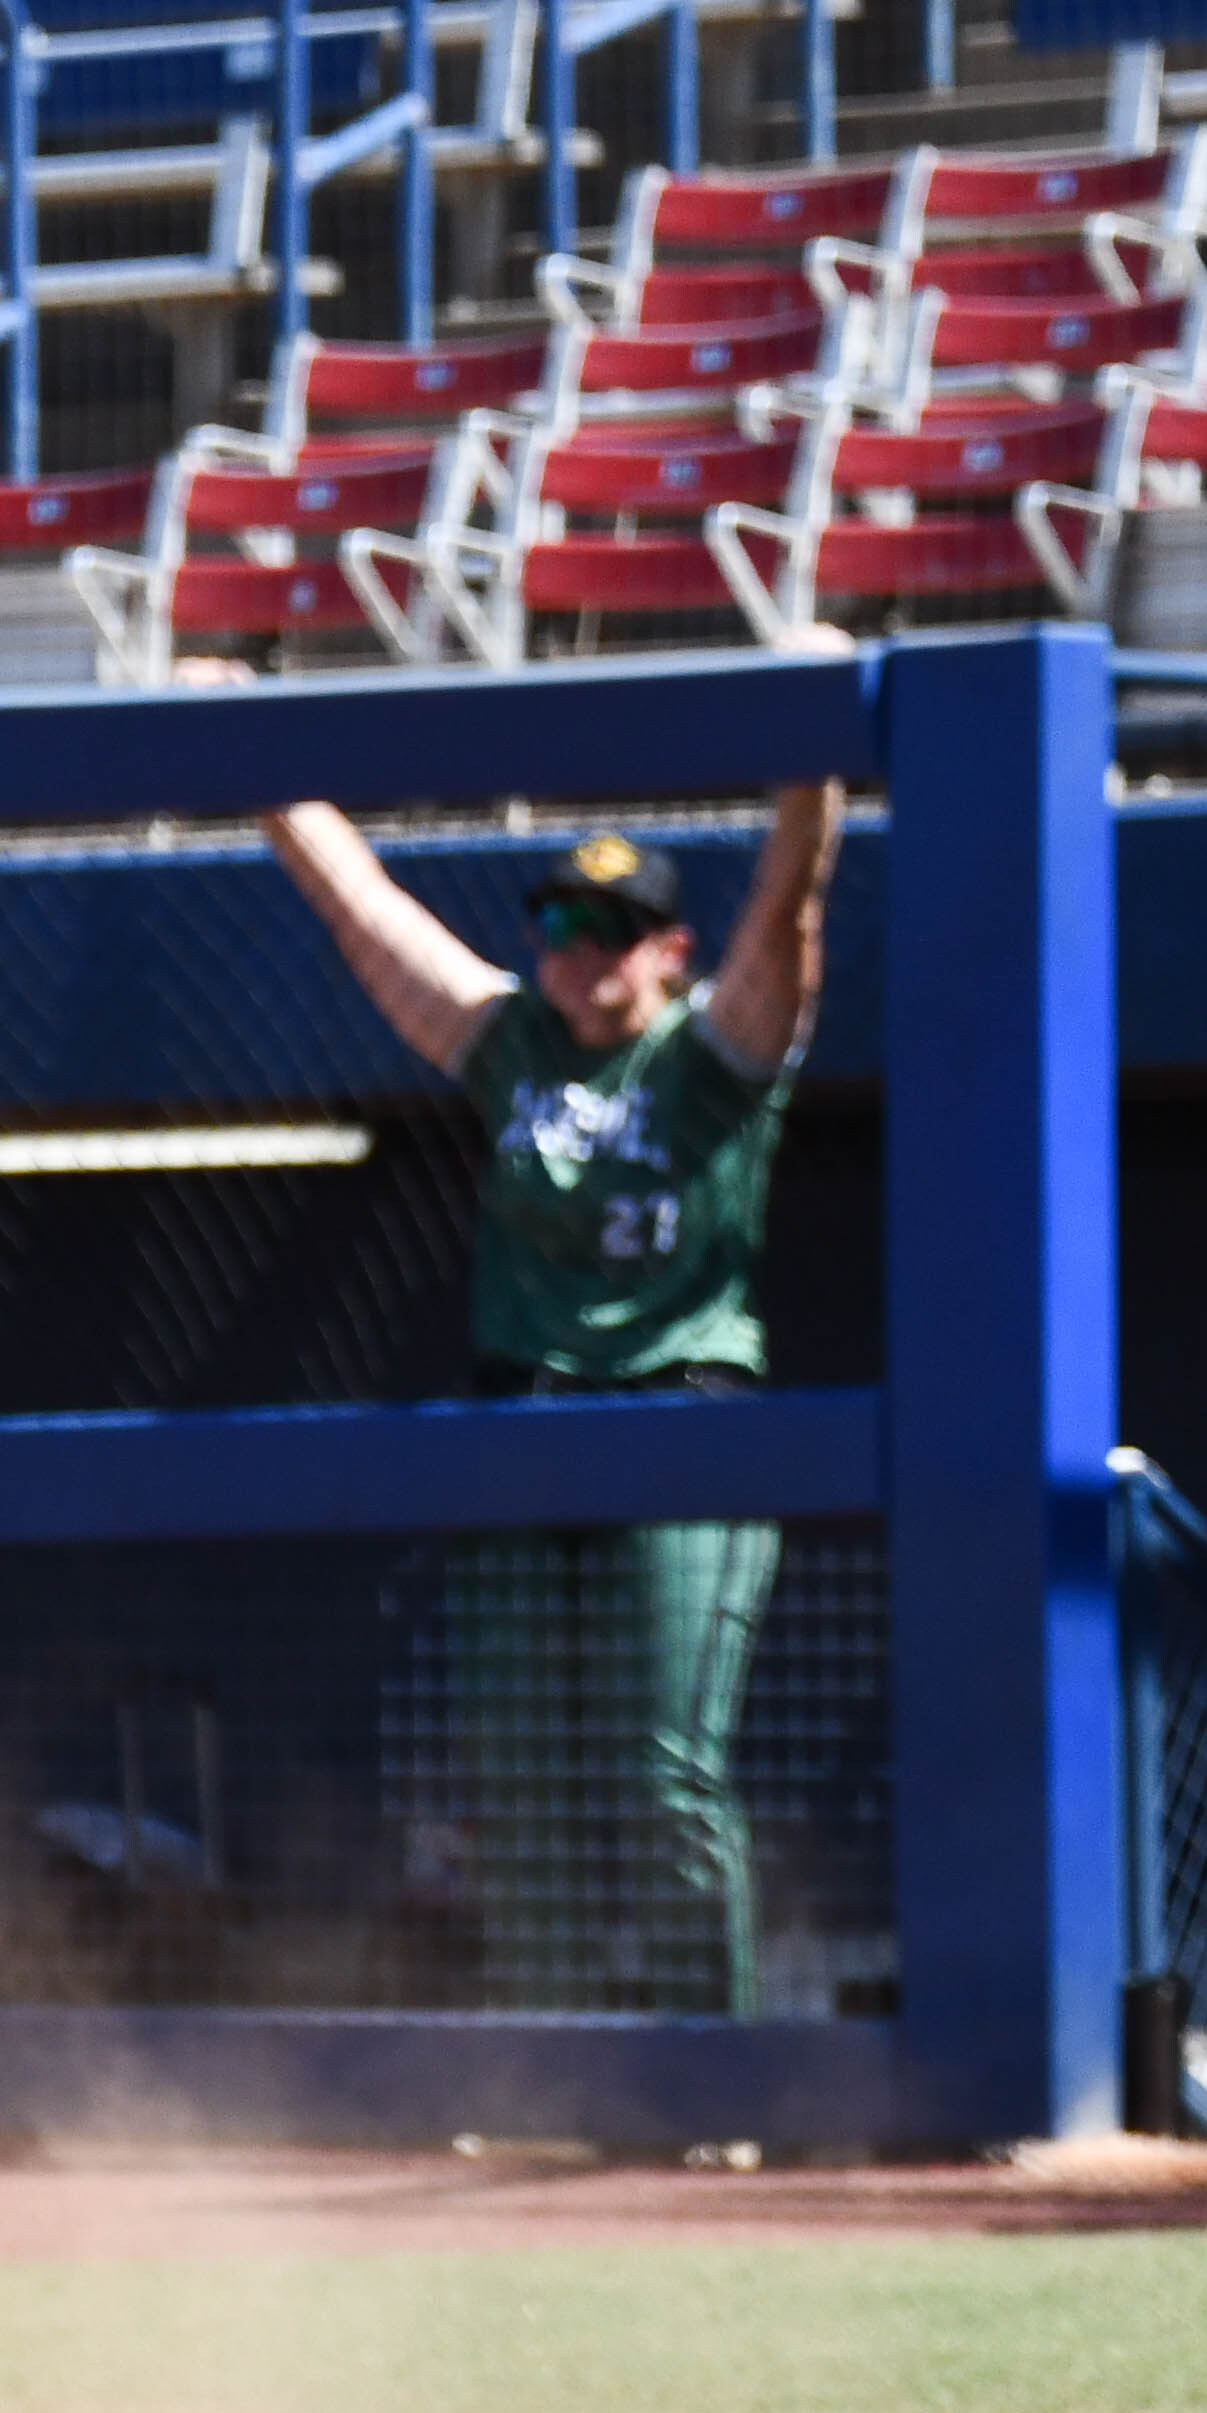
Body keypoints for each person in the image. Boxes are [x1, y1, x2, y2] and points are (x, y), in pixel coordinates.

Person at [261, 790, 840, 2013]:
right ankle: (555, 2061)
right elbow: (364, 912)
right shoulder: (508, 1037)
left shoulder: (710, 1051)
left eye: (612, 928)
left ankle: (703, 2074)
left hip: (683, 1426)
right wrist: (264, 768)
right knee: (517, 1785)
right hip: (524, 1431)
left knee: (664, 1775)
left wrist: (811, 771)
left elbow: (785, 908)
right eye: (560, 925)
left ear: (669, 949)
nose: (579, 953)